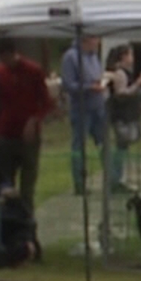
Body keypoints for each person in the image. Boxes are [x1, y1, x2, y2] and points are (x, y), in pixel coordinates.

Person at [0, 37, 53, 210]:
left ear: (12, 53)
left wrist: (34, 119)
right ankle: (8, 217)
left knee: (28, 184)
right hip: (5, 134)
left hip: (28, 136)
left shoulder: (33, 71)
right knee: (5, 183)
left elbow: (46, 102)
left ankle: (27, 216)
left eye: (5, 58)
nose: (4, 63)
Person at [60, 34, 108, 196]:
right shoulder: (71, 57)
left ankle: (112, 179)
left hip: (98, 107)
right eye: (95, 38)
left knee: (105, 143)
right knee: (79, 147)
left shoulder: (94, 56)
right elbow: (68, 84)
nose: (98, 42)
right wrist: (89, 87)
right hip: (81, 109)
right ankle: (79, 183)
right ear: (86, 39)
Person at [104, 45, 141, 192]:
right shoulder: (120, 74)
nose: (132, 58)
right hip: (121, 115)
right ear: (123, 57)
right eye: (130, 55)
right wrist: (137, 84)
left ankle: (119, 178)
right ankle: (116, 179)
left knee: (124, 146)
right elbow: (121, 93)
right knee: (122, 146)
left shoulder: (127, 73)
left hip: (128, 114)